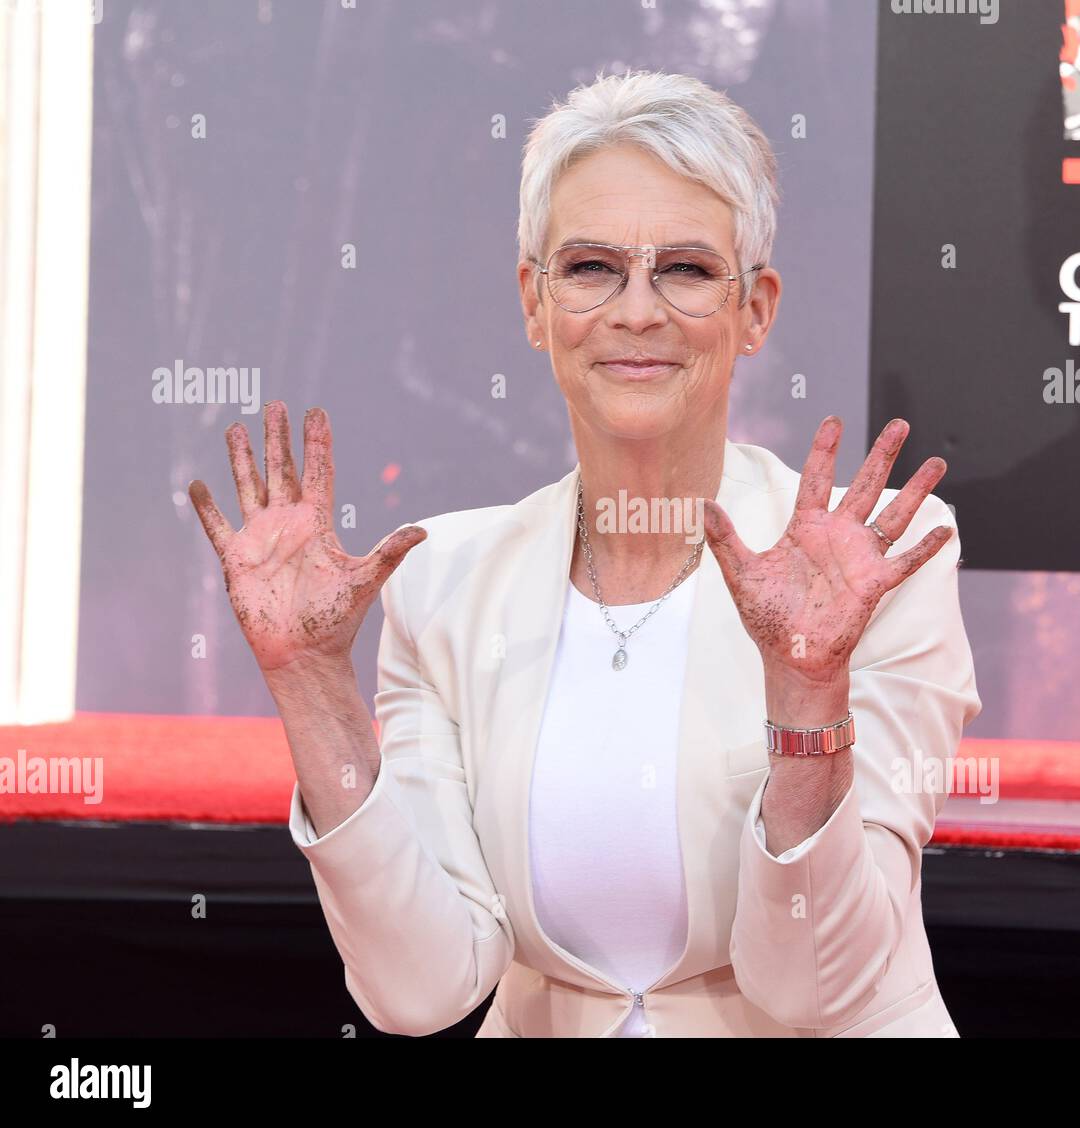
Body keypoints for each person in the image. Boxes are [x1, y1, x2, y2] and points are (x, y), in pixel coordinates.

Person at [187, 69, 981, 1037]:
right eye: (591, 267)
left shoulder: (878, 565)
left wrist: (808, 692)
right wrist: (312, 685)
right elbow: (419, 989)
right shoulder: (444, 581)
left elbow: (817, 989)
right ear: (534, 302)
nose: (635, 311)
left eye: (685, 269)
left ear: (756, 309)